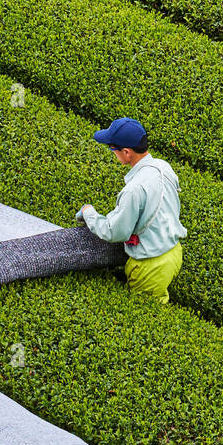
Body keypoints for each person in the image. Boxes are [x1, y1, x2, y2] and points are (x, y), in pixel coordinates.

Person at [76, 118, 187, 306]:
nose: (112, 153)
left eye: (113, 149)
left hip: (150, 265)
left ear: (126, 152)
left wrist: (89, 213)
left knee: (148, 313)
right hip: (174, 252)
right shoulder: (163, 166)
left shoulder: (133, 190)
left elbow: (114, 231)